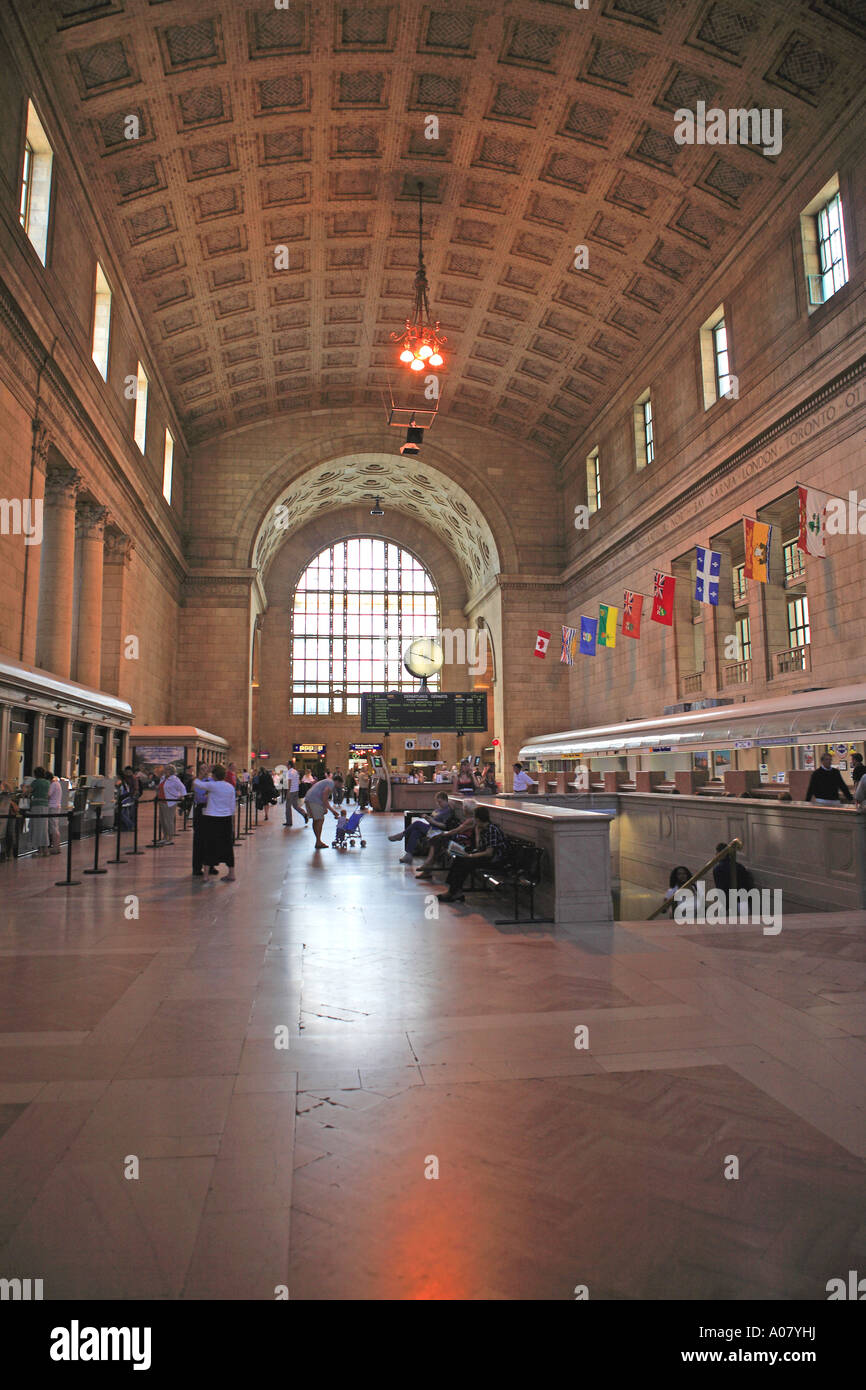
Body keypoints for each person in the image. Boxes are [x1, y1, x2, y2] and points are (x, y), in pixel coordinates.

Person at [438, 804, 507, 904]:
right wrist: (477, 832)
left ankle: (454, 892)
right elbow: (479, 847)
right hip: (484, 857)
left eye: (474, 817)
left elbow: (489, 853)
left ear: (478, 818)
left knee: (465, 862)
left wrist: (470, 856)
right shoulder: (481, 828)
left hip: (495, 860)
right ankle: (456, 891)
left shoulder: (492, 830)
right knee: (459, 858)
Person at [195, 764, 236, 882]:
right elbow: (232, 805)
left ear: (213, 775)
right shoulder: (229, 787)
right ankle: (231, 873)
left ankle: (206, 875)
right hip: (226, 818)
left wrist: (202, 774)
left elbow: (197, 783)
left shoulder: (212, 785)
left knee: (210, 845)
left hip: (212, 818)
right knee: (227, 845)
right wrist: (232, 818)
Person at [389, 791, 456, 863]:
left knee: (417, 823)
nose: (439, 804)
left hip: (437, 831)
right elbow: (433, 819)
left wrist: (433, 822)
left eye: (440, 802)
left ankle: (402, 835)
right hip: (431, 828)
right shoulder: (439, 810)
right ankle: (408, 855)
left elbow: (445, 826)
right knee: (415, 832)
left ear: (446, 800)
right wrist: (428, 818)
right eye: (437, 802)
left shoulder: (447, 811)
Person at [303, 775, 339, 849]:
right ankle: (318, 841)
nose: (340, 786)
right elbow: (324, 797)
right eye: (341, 784)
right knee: (320, 819)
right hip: (314, 800)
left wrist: (325, 808)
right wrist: (333, 811)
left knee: (316, 820)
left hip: (309, 798)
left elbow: (323, 797)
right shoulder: (331, 783)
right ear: (337, 782)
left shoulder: (327, 781)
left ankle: (318, 841)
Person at [157, 763, 187, 844]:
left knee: (168, 820)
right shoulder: (163, 778)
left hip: (170, 802)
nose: (165, 771)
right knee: (162, 820)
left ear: (172, 771)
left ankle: (170, 838)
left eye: (168, 769)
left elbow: (182, 788)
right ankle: (165, 836)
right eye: (165, 769)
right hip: (161, 801)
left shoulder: (175, 779)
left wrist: (181, 795)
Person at [28, 766, 51, 857]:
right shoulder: (47, 782)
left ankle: (39, 850)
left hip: (37, 806)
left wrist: (24, 787)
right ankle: (45, 849)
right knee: (44, 828)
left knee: (37, 827)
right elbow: (48, 795)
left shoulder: (35, 782)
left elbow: (28, 792)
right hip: (45, 805)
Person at [284, 760, 308, 828]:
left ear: (289, 765)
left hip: (291, 791)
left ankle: (289, 822)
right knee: (295, 806)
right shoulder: (295, 771)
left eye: (287, 764)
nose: (286, 766)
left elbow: (289, 782)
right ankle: (304, 814)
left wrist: (288, 791)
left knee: (288, 806)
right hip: (296, 790)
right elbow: (298, 782)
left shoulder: (289, 772)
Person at [47, 771, 63, 854]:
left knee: (53, 827)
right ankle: (57, 846)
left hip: (52, 807)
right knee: (55, 826)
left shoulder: (53, 784)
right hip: (56, 806)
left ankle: (55, 847)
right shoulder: (57, 784)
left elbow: (48, 795)